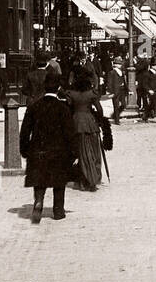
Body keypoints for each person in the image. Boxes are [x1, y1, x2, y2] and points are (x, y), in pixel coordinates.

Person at [21, 73, 81, 223]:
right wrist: (74, 152)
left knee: (40, 180)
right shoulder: (63, 108)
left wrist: (25, 149)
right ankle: (58, 210)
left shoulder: (34, 106)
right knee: (59, 182)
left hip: (38, 149)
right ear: (58, 88)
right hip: (59, 151)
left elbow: (25, 131)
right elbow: (70, 132)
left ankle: (39, 201)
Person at [66, 74, 106, 192]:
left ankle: (83, 179)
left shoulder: (72, 94)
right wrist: (99, 120)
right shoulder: (91, 94)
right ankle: (93, 177)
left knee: (81, 152)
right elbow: (99, 109)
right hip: (90, 123)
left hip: (77, 123)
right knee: (93, 151)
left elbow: (69, 108)